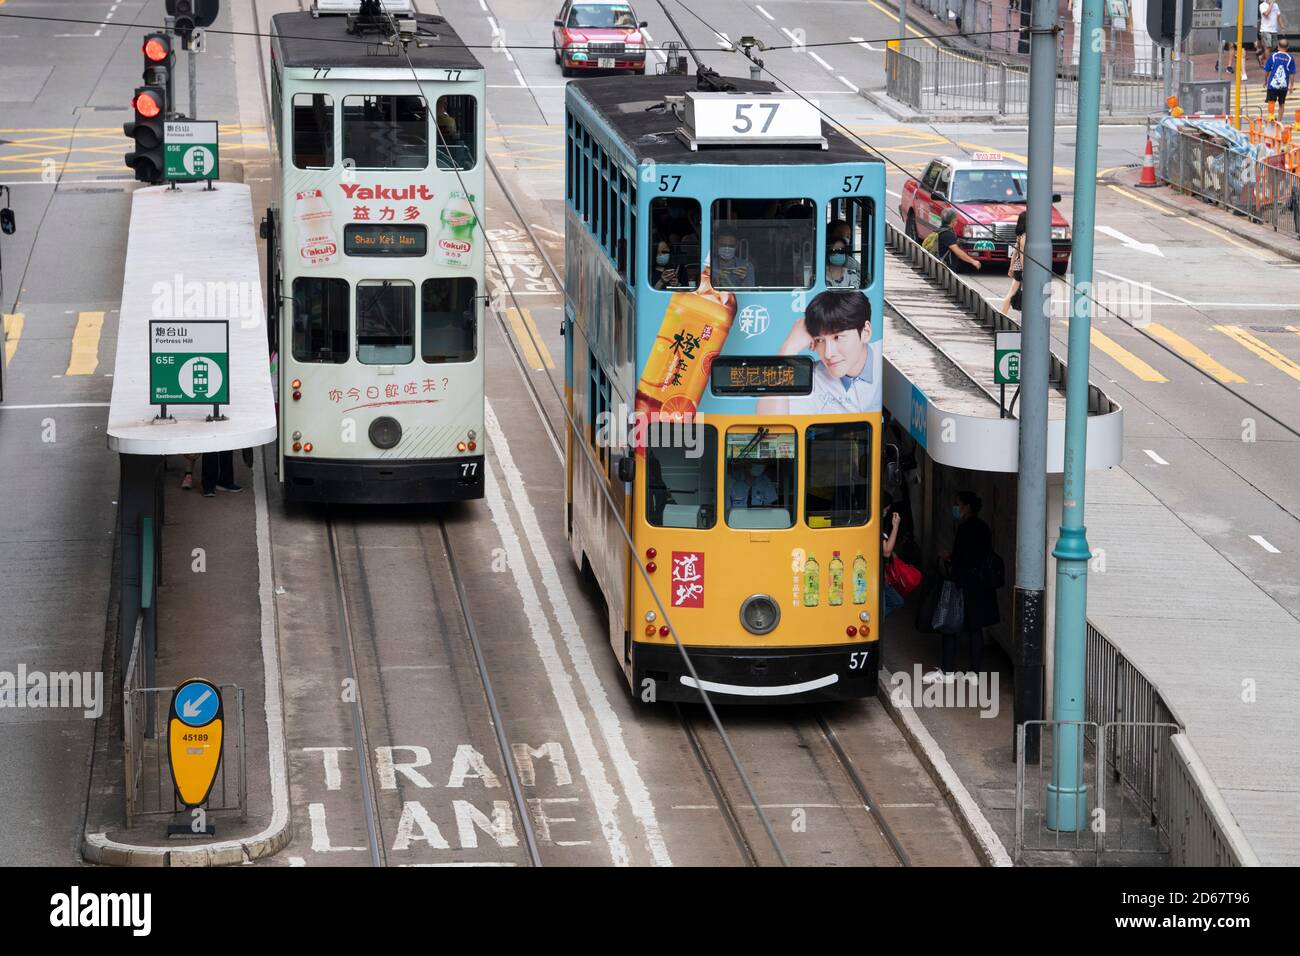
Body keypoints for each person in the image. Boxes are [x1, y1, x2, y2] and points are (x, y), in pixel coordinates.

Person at [757, 290, 882, 415]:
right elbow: (772, 428)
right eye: (820, 340)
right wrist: (787, 350)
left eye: (837, 337)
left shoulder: (886, 363)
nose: (828, 354)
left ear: (866, 332)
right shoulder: (813, 379)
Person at [924, 491, 1000, 685]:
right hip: (980, 586)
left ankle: (947, 671)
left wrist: (948, 558)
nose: (955, 508)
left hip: (962, 585)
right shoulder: (983, 527)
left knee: (949, 624)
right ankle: (974, 673)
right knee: (976, 629)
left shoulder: (965, 528)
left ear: (966, 507)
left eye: (957, 504)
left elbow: (960, 558)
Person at [999, 210, 1028, 314]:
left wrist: (1011, 267)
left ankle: (1003, 314)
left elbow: (1015, 253)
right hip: (1021, 269)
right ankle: (1002, 314)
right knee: (1011, 294)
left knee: (1011, 293)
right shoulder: (1025, 237)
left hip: (1017, 268)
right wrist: (1025, 271)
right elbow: (1023, 255)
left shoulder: (1020, 236)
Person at [881, 498, 904, 618]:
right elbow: (886, 552)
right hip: (877, 576)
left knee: (897, 601)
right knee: (896, 602)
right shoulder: (877, 525)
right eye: (886, 509)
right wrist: (896, 526)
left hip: (878, 574)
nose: (886, 512)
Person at [1264, 37, 1295, 114]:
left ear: (1278, 46)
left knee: (1271, 103)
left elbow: (1267, 70)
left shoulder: (1273, 55)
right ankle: (1279, 122)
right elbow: (1292, 73)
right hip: (1283, 86)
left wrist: (1265, 81)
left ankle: (1271, 121)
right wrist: (1291, 85)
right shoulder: (1290, 58)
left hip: (1272, 85)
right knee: (1281, 104)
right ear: (1288, 47)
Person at [1259, 1, 1284, 67]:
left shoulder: (1276, 5)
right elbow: (1266, 14)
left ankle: (1261, 56)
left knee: (1273, 47)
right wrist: (1271, 4)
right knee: (1267, 47)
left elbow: (1279, 16)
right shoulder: (1262, 5)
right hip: (1265, 30)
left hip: (1274, 30)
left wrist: (1282, 27)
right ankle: (1268, 64)